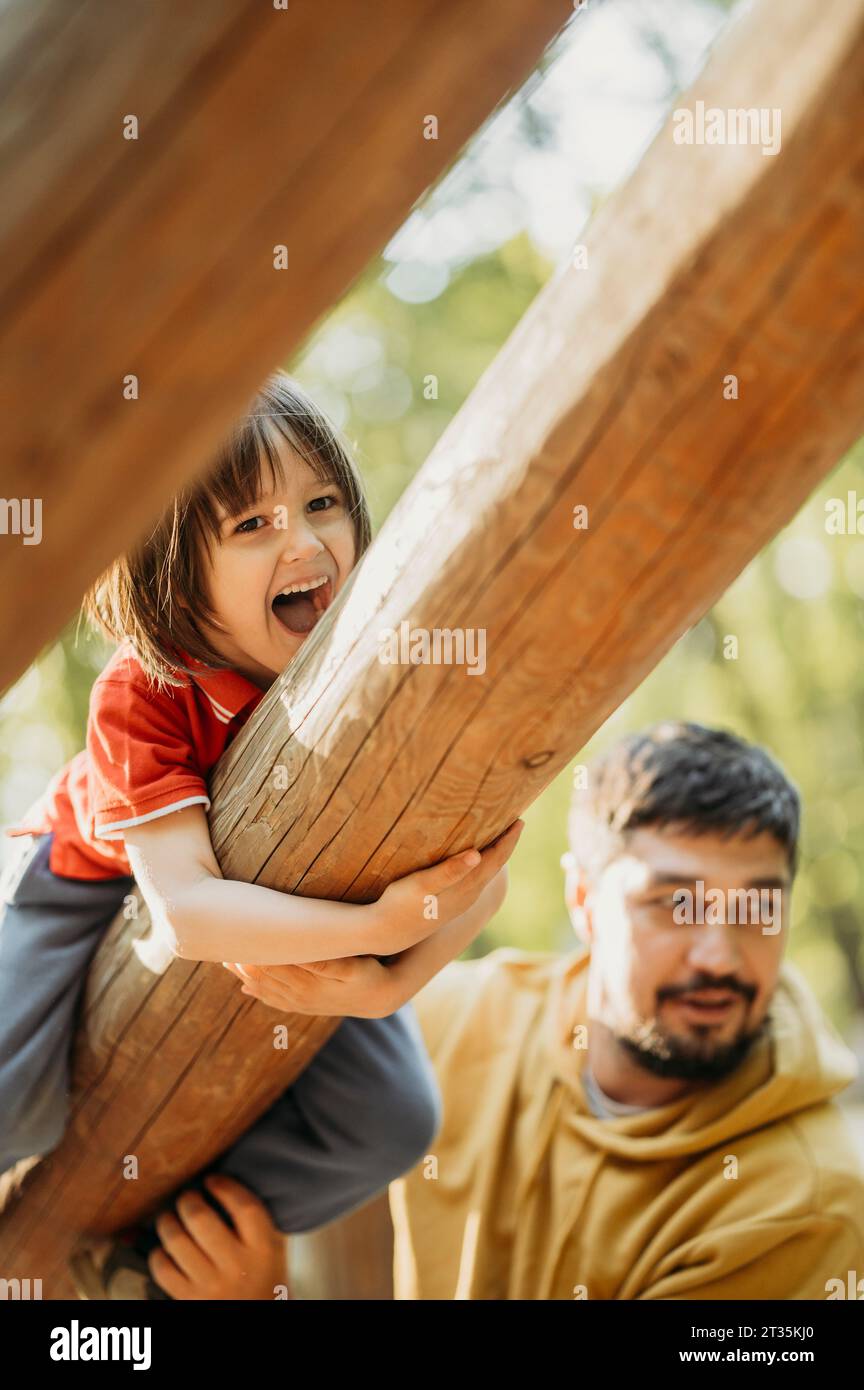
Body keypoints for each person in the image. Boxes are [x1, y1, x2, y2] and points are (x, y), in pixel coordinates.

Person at [0, 369, 520, 1300]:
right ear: (174, 583)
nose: (305, 540)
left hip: (299, 906)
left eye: (322, 503)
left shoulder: (376, 671)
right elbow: (189, 915)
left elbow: (485, 871)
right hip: (88, 880)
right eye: (253, 526)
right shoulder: (145, 690)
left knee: (393, 1122)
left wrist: (388, 979)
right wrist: (373, 931)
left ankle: (154, 1251)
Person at [203, 722, 864, 1300]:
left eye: (757, 906)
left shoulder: (807, 1206)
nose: (720, 955)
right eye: (673, 903)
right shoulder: (464, 1020)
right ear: (583, 899)